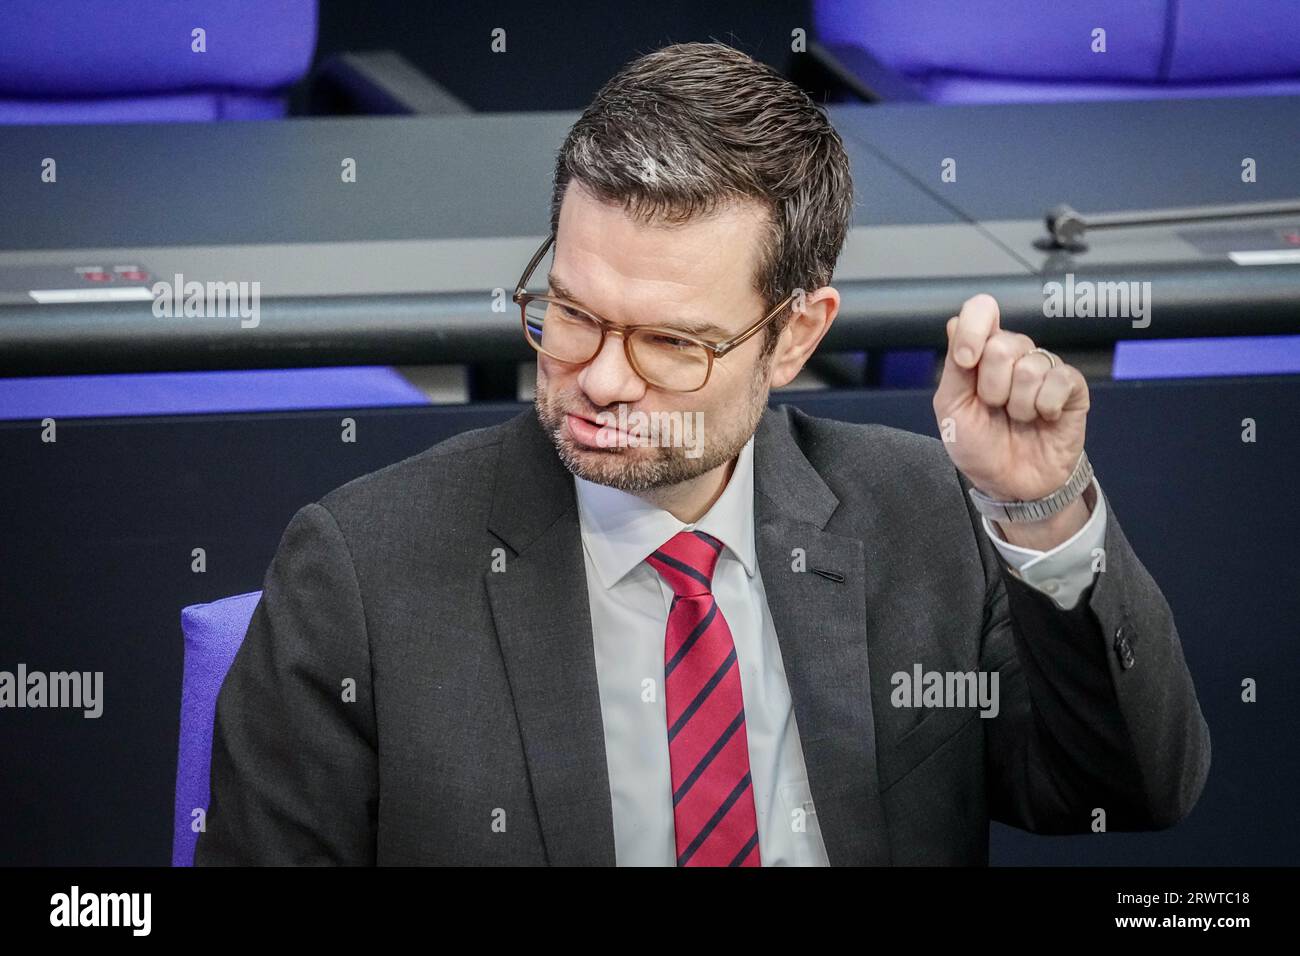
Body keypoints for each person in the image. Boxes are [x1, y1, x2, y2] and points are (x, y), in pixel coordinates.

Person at [196, 41, 1210, 867]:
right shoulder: (365, 571)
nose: (598, 378)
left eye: (671, 342)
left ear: (797, 336)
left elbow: (1127, 790)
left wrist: (1043, 515)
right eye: (572, 315)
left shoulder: (923, 516)